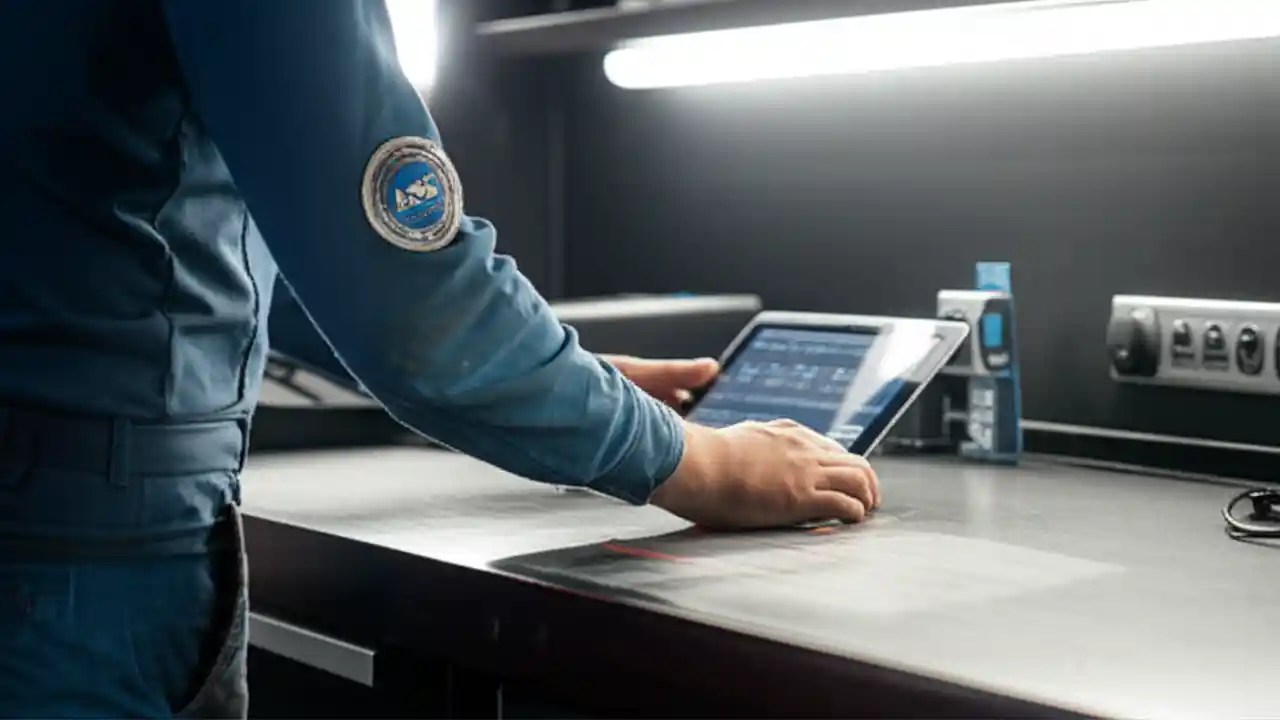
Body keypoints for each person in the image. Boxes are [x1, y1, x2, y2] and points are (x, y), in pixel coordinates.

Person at [0, 1, 880, 717]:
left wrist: (563, 377)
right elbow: (405, 293)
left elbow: (191, 246)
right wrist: (700, 463)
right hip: (82, 560)